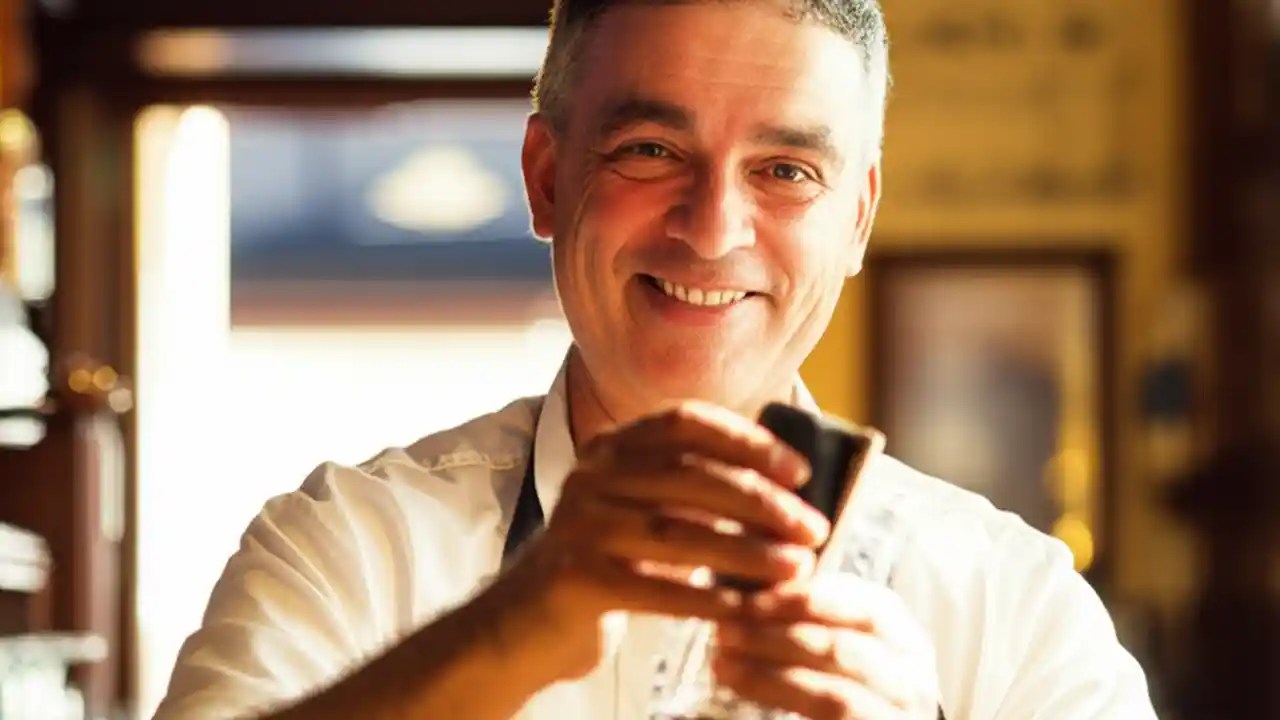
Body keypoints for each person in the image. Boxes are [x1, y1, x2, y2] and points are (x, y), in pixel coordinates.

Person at [154, 1, 1158, 718]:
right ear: (546, 181)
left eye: (783, 171)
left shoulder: (1016, 606)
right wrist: (508, 633)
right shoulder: (348, 550)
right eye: (648, 150)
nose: (712, 229)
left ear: (855, 221)